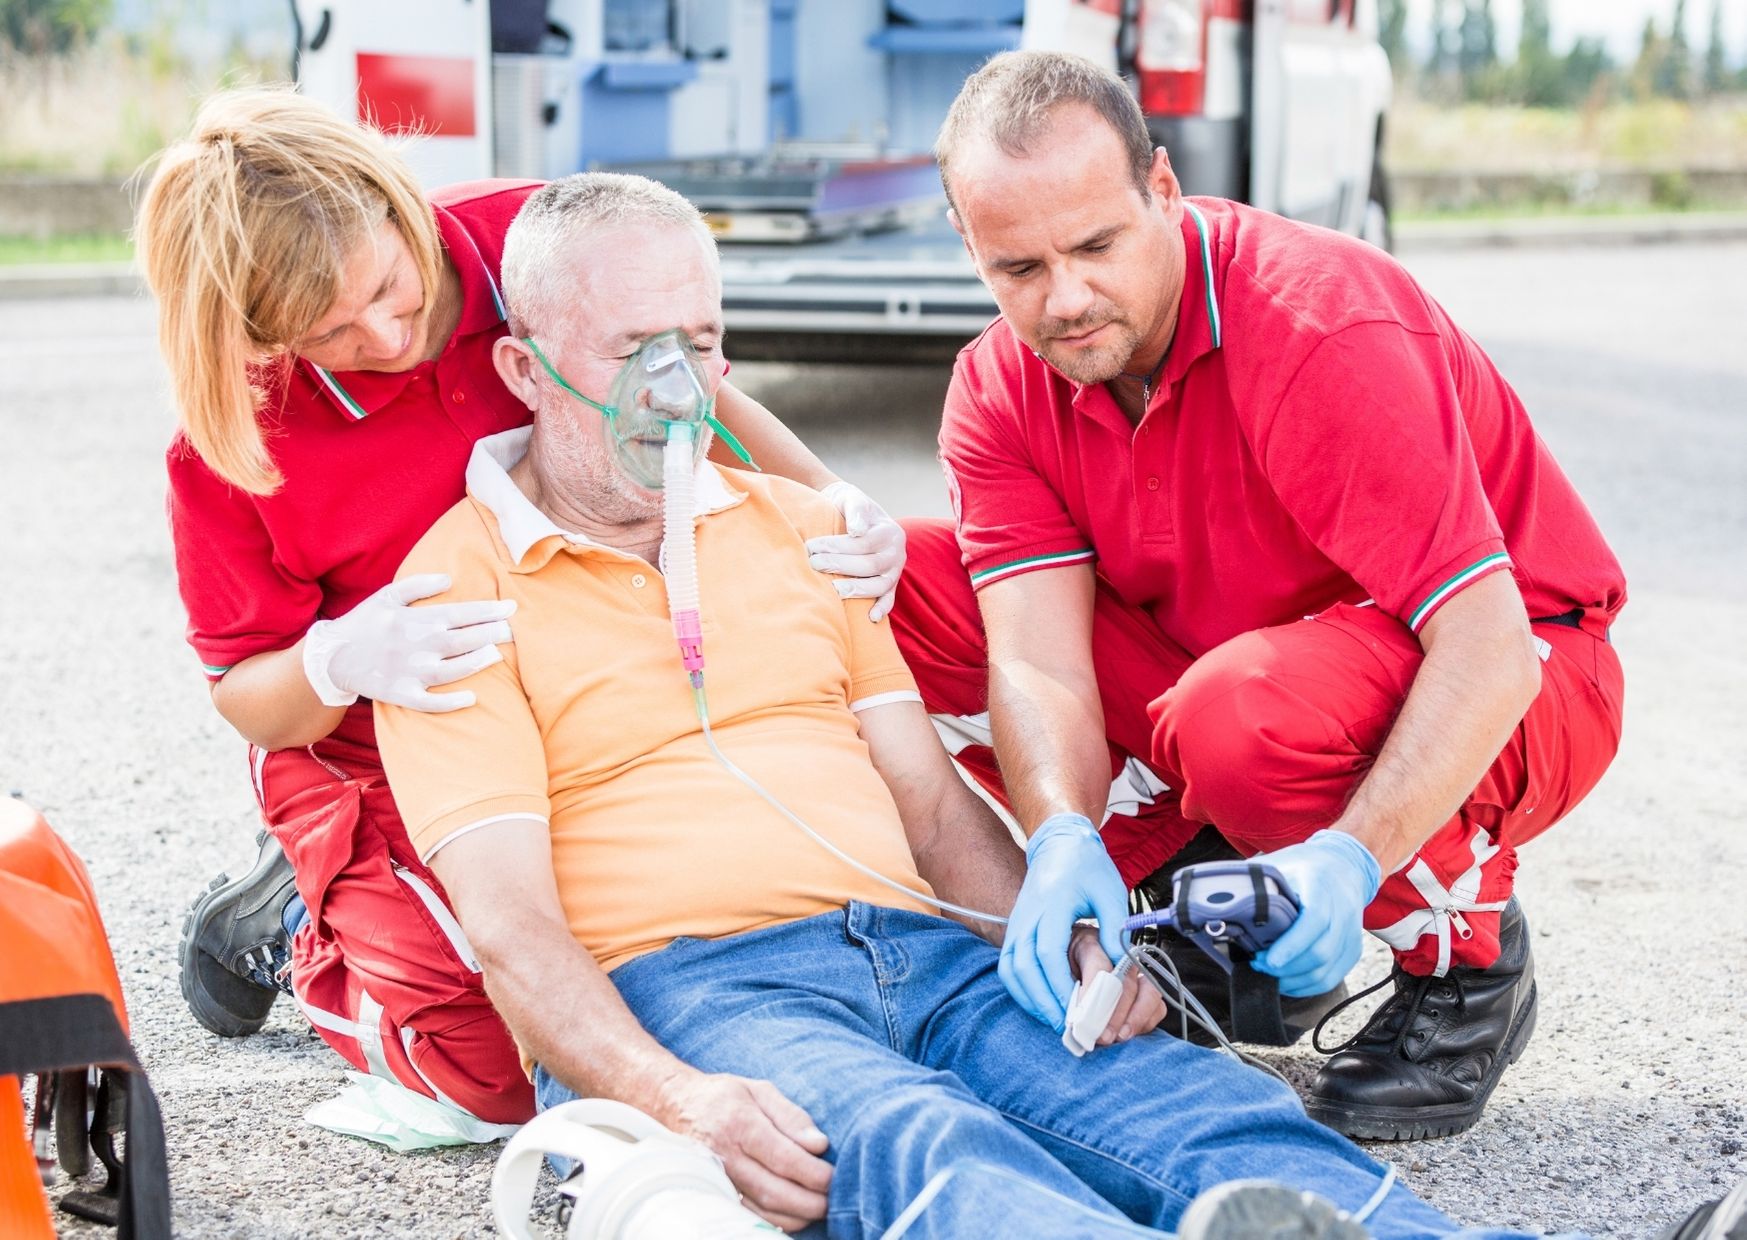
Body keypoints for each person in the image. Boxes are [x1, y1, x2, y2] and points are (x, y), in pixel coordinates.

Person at [363, 171, 1736, 1240]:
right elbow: (512, 931)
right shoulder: (451, 603)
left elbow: (926, 804)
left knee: (1189, 1112)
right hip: (699, 990)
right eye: (632, 350)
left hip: (920, 950)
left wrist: (1066, 938)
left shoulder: (794, 536)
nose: (676, 391)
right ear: (526, 370)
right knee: (928, 1148)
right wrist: (673, 1095)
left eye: (702, 343)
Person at [885, 50, 1628, 1141]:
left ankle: (1465, 966)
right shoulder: (999, 384)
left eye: (1096, 246)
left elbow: (1491, 647)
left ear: (1164, 189)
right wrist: (1060, 836)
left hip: (1522, 668)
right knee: (906, 589)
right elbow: (1035, 659)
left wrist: (1351, 856)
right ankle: (1210, 920)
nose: (1066, 299)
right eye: (1019, 267)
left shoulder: (1316, 325)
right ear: (967, 244)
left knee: (1242, 716)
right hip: (1240, 667)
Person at [134, 87, 906, 1126]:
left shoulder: (526, 237)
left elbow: (688, 389)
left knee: (622, 988)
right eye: (332, 332)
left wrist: (829, 496)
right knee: (509, 1064)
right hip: (385, 731)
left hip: (580, 677)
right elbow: (247, 695)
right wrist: (336, 660)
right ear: (259, 337)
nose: (387, 334)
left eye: (390, 287)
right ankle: (302, 935)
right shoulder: (232, 439)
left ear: (397, 201)